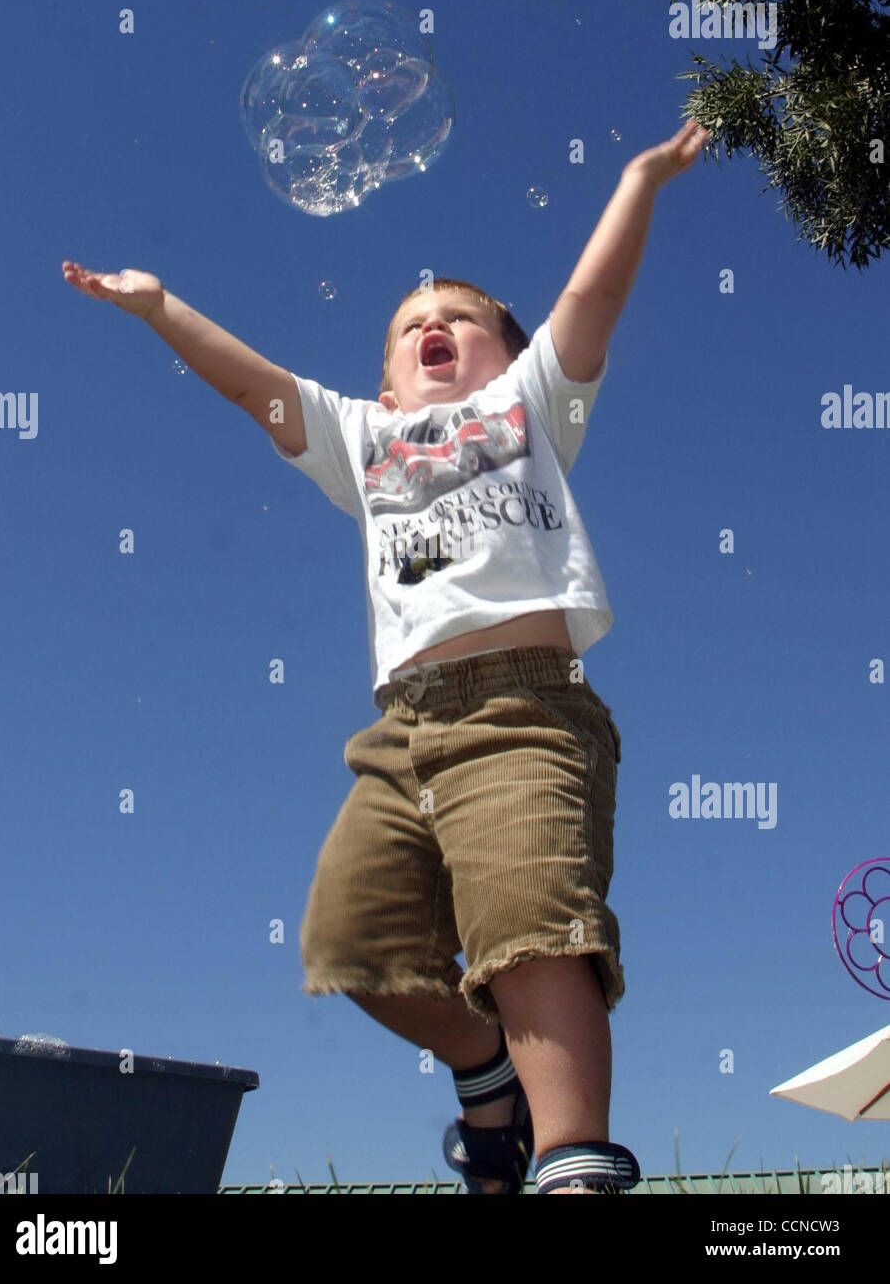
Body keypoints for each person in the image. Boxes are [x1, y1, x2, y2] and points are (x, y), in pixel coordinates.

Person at [62, 117, 708, 1195]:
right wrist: (160, 306)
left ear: (513, 353)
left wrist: (640, 183)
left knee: (532, 926)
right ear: (387, 379)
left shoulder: (528, 408)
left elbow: (590, 303)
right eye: (414, 326)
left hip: (522, 711)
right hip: (401, 733)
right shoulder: (363, 440)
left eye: (463, 318)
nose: (436, 328)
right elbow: (254, 384)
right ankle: (480, 1066)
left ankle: (571, 1159)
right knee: (351, 940)